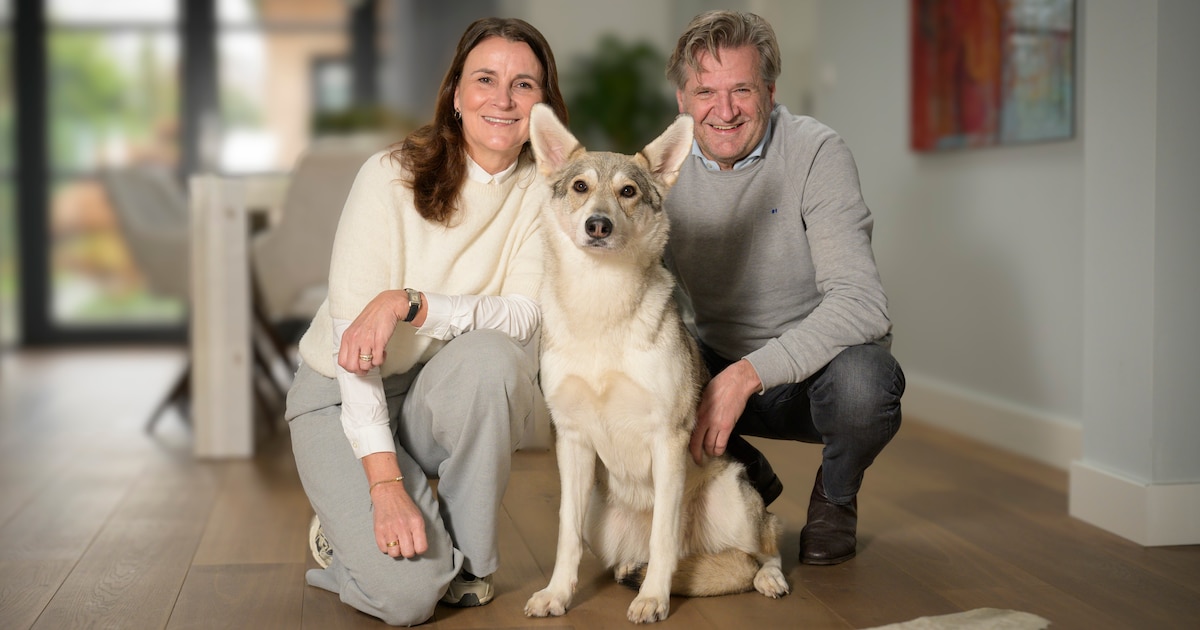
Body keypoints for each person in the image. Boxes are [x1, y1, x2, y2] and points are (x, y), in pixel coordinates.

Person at [285, 17, 568, 626]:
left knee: (494, 358)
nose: (503, 98)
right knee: (409, 600)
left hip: (431, 393)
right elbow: (351, 353)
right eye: (485, 79)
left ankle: (469, 566)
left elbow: (523, 318)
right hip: (341, 395)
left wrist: (410, 303)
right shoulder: (388, 176)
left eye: (524, 85)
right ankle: (351, 544)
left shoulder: (549, 195)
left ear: (544, 104)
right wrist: (385, 488)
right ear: (457, 96)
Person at [663, 10, 905, 566]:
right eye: (706, 92)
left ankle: (835, 498)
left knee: (867, 386)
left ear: (770, 91)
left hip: (810, 378)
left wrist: (746, 375)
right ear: (682, 98)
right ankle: (745, 475)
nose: (724, 111)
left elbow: (863, 303)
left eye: (742, 90)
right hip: (714, 361)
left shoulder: (816, 152)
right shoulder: (661, 171)